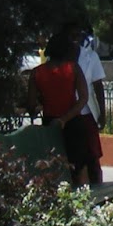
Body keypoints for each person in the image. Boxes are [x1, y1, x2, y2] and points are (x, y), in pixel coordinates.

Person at [25, 29, 97, 186]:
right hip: (72, 122)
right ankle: (83, 205)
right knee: (79, 167)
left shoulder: (37, 73)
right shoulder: (73, 68)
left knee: (52, 167)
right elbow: (83, 98)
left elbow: (31, 104)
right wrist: (64, 118)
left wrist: (38, 107)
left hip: (49, 124)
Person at [76, 27, 108, 185]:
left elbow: (98, 84)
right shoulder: (56, 57)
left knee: (92, 156)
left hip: (86, 113)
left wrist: (102, 112)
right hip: (64, 113)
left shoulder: (89, 56)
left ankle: (98, 190)